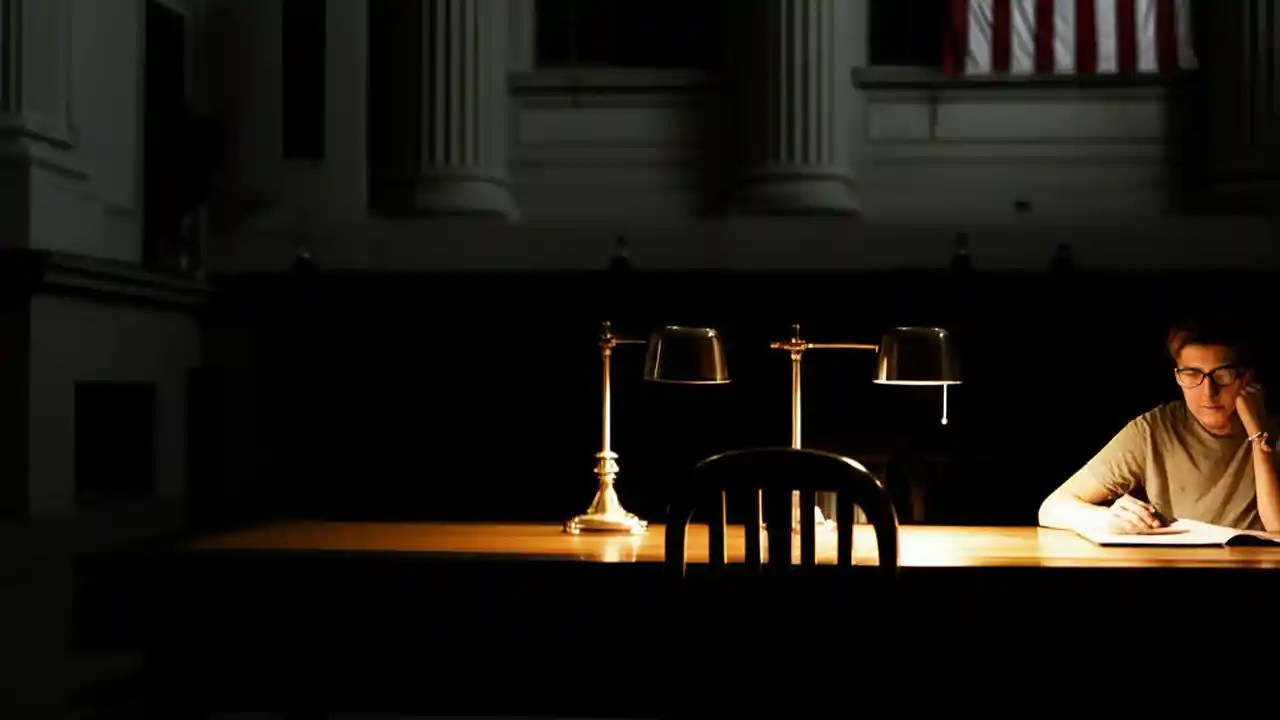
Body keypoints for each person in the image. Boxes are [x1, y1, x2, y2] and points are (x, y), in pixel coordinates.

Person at [1038, 315, 1279, 534]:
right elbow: (1052, 507)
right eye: (1192, 374)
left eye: (1222, 375)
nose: (1208, 391)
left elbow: (1277, 526)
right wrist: (1106, 519)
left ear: (1247, 377)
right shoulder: (1155, 430)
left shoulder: (1273, 428)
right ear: (1178, 376)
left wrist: (1259, 436)